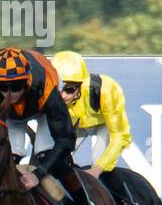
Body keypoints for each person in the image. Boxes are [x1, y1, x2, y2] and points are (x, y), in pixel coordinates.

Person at [0, 47, 110, 205]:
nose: (10, 95)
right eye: (4, 87)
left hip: (41, 109)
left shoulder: (44, 86)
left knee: (47, 154)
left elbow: (65, 140)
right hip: (9, 117)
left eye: (16, 86)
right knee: (4, 159)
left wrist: (38, 175)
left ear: (27, 80)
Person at [51, 50, 133, 179]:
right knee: (56, 158)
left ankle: (123, 198)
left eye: (69, 89)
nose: (63, 95)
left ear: (81, 84)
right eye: (59, 89)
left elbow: (119, 135)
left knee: (98, 160)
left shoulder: (104, 90)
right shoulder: (54, 96)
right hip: (78, 123)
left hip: (104, 124)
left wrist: (98, 169)